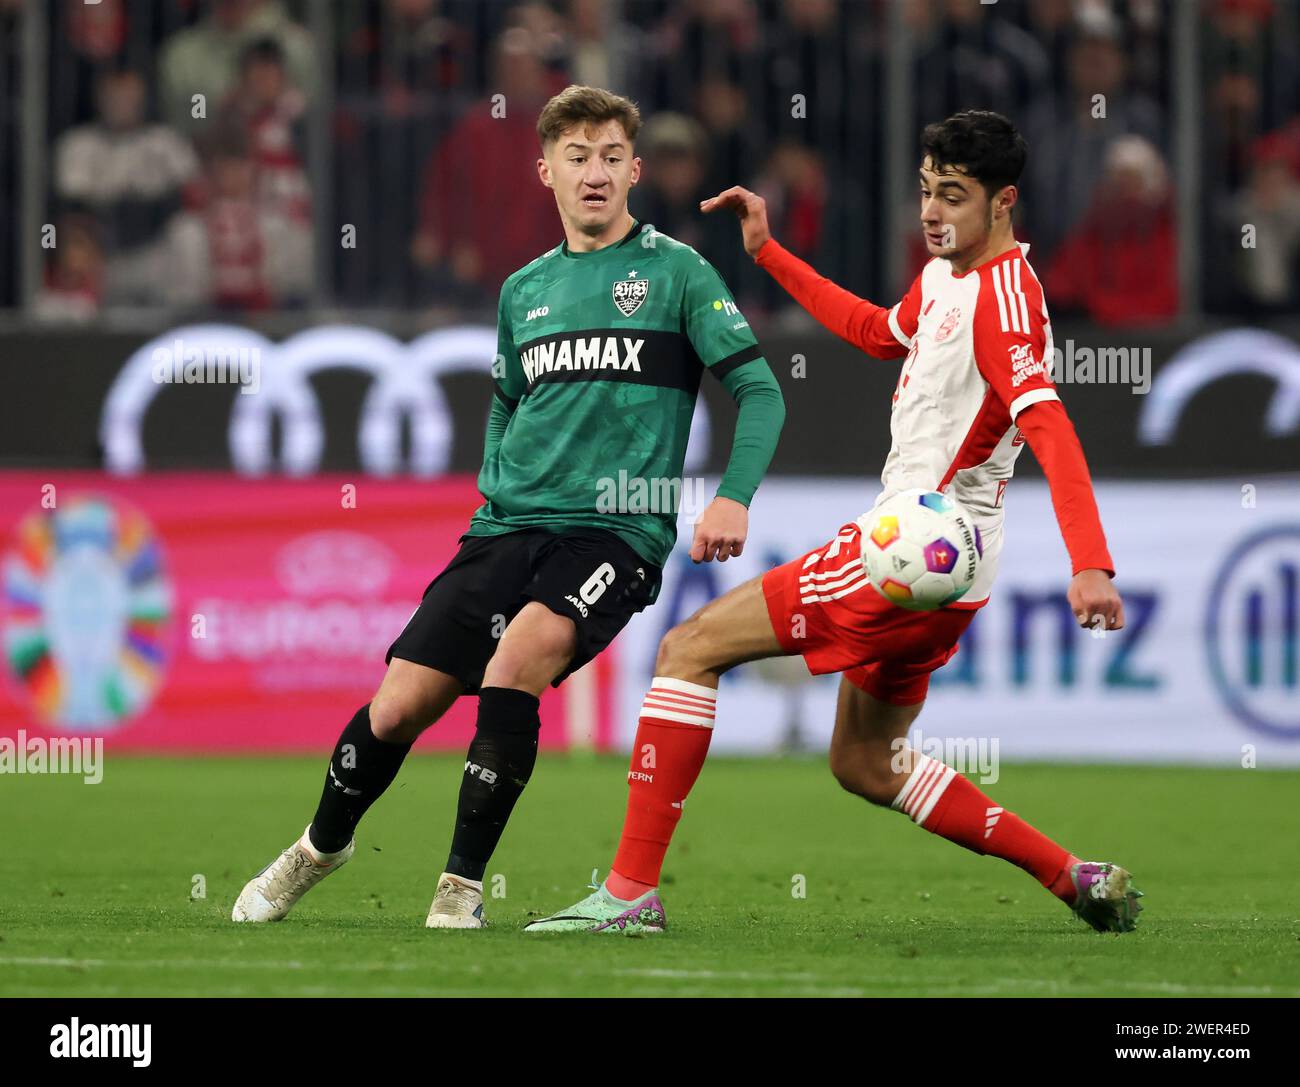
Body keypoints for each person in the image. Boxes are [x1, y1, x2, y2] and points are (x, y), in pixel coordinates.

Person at [526, 110, 1143, 937]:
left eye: (953, 197)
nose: (931, 212)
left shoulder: (1006, 303)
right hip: (951, 571)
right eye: (926, 191)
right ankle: (1073, 875)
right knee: (865, 762)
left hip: (911, 546)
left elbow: (1050, 427)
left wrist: (1092, 562)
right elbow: (878, 332)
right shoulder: (946, 276)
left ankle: (631, 891)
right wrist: (769, 253)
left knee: (687, 649)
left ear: (1004, 204)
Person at [231, 85, 786, 929]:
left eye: (609, 157)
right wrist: (497, 477)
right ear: (546, 172)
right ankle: (320, 845)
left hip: (615, 529)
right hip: (507, 527)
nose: (593, 173)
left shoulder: (676, 271)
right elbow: (504, 398)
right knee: (397, 706)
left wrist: (734, 497)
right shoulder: (523, 291)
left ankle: (459, 888)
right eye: (576, 156)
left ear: (634, 170)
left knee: (516, 661)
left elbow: (760, 389)